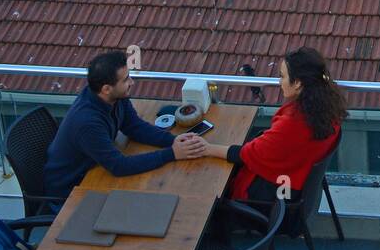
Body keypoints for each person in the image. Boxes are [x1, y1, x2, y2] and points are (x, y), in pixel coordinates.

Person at [42, 50, 207, 207]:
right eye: (126, 79)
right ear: (106, 89)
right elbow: (119, 166)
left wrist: (172, 141)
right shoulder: (87, 123)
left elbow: (134, 126)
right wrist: (172, 153)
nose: (132, 83)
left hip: (94, 171)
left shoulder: (113, 97)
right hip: (70, 193)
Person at [200, 48, 346, 209]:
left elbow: (246, 154)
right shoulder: (328, 110)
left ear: (297, 83)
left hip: (279, 198)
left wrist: (206, 148)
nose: (279, 82)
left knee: (212, 194)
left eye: (282, 76)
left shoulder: (293, 123)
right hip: (297, 188)